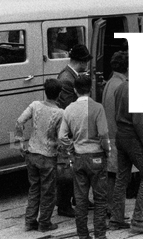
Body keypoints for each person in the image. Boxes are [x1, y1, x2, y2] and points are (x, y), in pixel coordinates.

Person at [58, 74, 110, 239]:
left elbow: (62, 136)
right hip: (96, 156)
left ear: (75, 90)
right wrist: (106, 150)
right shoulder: (98, 108)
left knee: (80, 200)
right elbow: (103, 133)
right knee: (100, 199)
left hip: (79, 157)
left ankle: (83, 235)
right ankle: (100, 235)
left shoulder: (69, 109)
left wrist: (71, 148)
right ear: (91, 88)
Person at [109, 51, 143, 234]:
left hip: (121, 134)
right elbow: (138, 121)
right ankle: (138, 219)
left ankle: (116, 218)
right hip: (132, 136)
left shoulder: (120, 87)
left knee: (122, 177)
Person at [16, 79, 65, 232]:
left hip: (31, 153)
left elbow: (19, 121)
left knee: (34, 188)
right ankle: (44, 222)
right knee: (48, 191)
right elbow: (61, 137)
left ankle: (30, 221)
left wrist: (19, 142)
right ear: (59, 94)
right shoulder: (60, 113)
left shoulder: (35, 105)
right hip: (48, 156)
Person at [56, 44, 92, 217]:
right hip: (69, 130)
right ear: (82, 62)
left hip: (71, 128)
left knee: (77, 167)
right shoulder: (67, 80)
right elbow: (68, 107)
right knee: (68, 168)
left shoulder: (70, 75)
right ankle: (64, 204)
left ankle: (78, 198)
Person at [101, 51, 128, 196]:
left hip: (109, 133)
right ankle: (115, 209)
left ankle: (109, 206)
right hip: (119, 135)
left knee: (111, 174)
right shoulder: (122, 86)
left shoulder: (110, 82)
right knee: (119, 176)